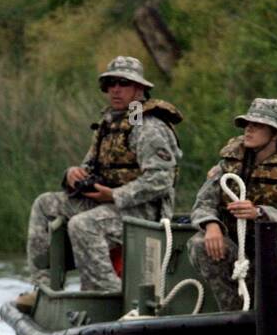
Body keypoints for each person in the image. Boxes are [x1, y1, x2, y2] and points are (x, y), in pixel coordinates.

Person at [22, 56, 182, 301]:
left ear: (139, 89)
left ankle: (108, 296)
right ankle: (43, 289)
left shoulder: (147, 126)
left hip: (143, 211)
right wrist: (72, 175)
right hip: (106, 203)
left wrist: (115, 195)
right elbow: (90, 165)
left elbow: (161, 179)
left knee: (84, 225)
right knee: (45, 204)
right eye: (110, 84)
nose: (115, 89)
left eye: (123, 83)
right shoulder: (110, 122)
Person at [188, 98, 277, 310]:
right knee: (200, 242)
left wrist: (258, 212)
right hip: (237, 247)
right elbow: (203, 202)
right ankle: (234, 316)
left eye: (257, 126)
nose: (249, 129)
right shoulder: (230, 161)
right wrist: (211, 225)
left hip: (274, 244)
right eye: (248, 124)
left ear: (276, 133)